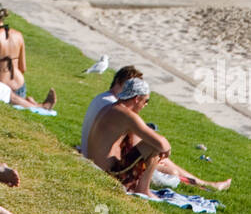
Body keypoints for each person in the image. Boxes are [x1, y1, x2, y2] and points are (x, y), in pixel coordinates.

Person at [84, 76, 230, 195]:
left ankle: (201, 183)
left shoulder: (111, 108)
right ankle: (143, 190)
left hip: (95, 166)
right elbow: (162, 144)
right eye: (146, 101)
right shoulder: (127, 115)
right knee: (153, 146)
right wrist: (165, 150)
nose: (145, 105)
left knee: (149, 144)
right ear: (137, 99)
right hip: (109, 174)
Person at [0, 2, 57, 112]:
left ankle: (37, 105)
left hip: (3, 88)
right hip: (20, 86)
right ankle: (30, 102)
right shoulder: (18, 35)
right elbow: (23, 68)